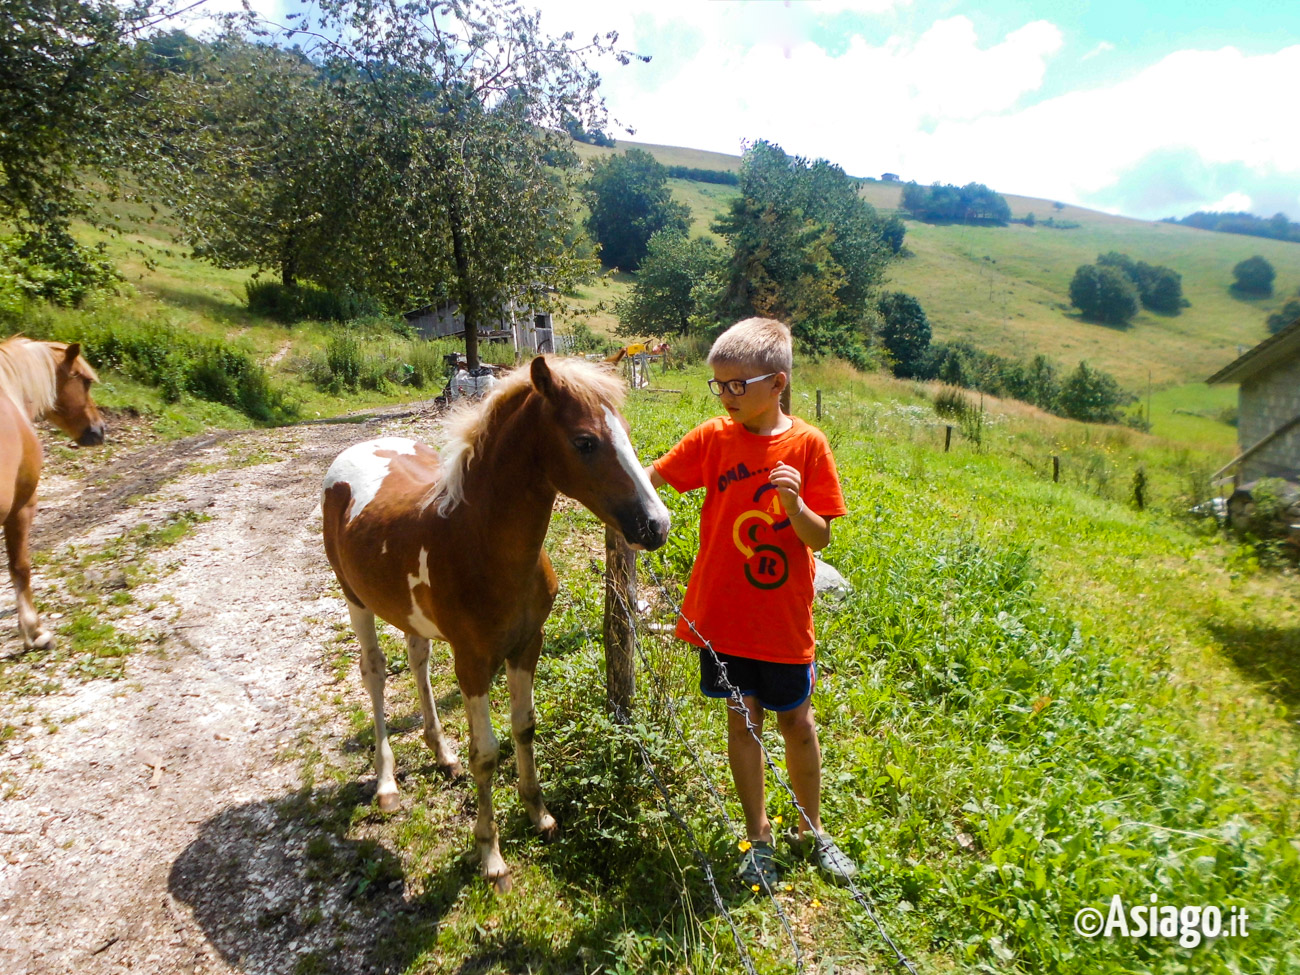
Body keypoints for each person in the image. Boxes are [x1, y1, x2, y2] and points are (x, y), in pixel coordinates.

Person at [645, 317, 857, 890]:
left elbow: (820, 539)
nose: (726, 396)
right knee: (743, 723)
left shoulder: (808, 446)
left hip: (783, 623)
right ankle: (757, 837)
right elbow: (652, 478)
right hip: (723, 618)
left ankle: (812, 832)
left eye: (738, 384)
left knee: (799, 723)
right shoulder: (713, 439)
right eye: (719, 385)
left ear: (778, 382)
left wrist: (793, 504)